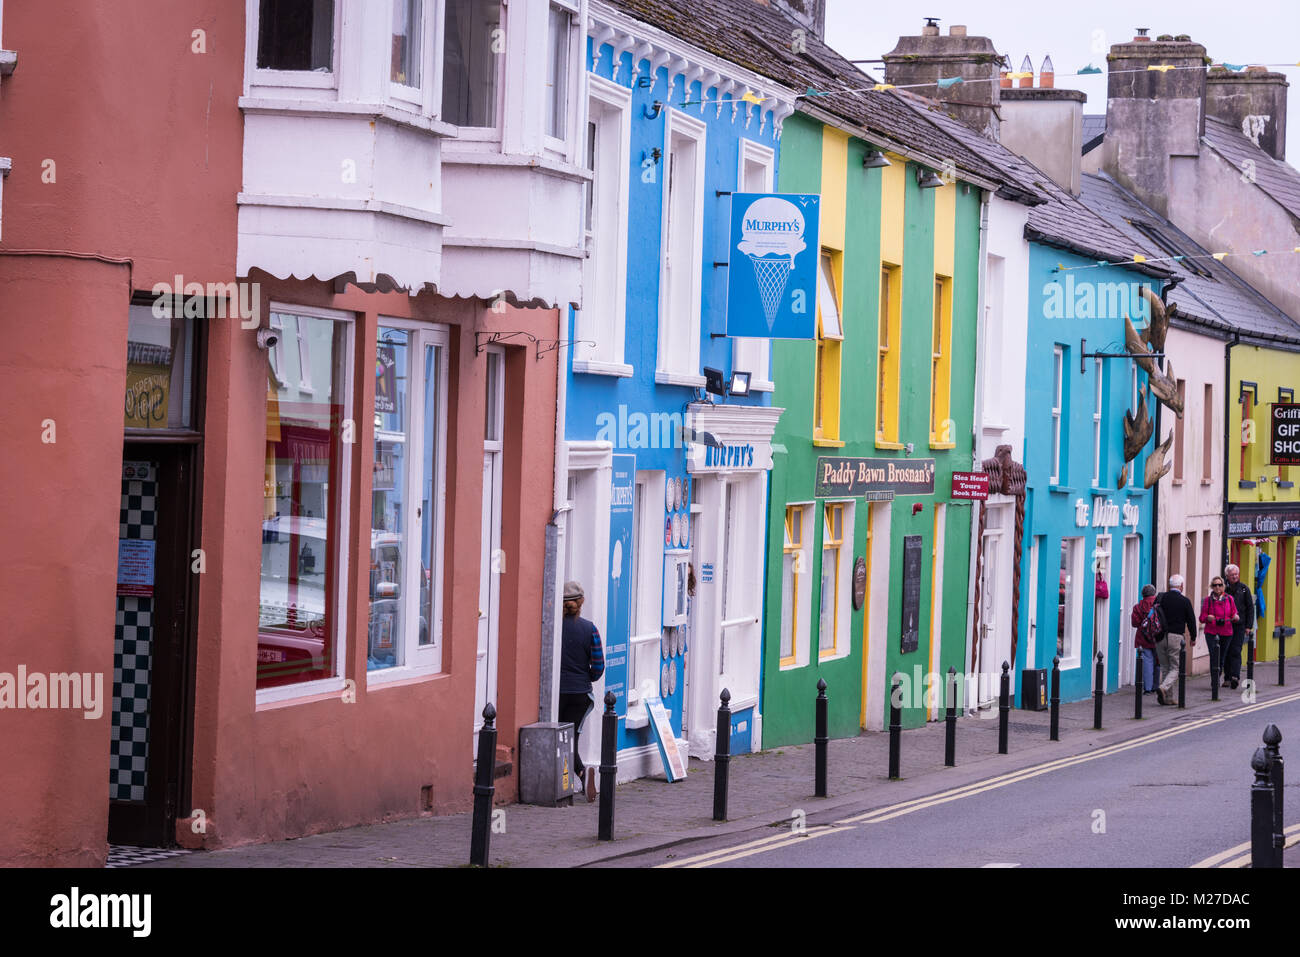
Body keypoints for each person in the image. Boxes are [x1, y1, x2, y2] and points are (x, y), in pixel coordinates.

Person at [558, 580, 604, 800]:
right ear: (581, 602)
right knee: (570, 737)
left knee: (558, 738)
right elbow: (598, 666)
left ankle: (569, 779)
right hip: (580, 694)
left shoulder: (552, 626)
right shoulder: (590, 628)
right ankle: (580, 774)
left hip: (556, 693)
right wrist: (587, 678)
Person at [1154, 574, 1197, 705]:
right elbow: (1191, 620)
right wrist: (1193, 637)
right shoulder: (1184, 601)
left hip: (1160, 636)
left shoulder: (1160, 598)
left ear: (1169, 586)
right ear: (1181, 586)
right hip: (1176, 636)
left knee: (1165, 667)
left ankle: (1168, 698)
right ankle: (1164, 687)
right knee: (1176, 667)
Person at [1198, 575, 1239, 693]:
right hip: (1211, 632)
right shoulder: (1208, 600)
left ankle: (1218, 676)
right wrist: (1208, 617)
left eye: (1220, 585)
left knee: (1222, 657)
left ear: (1223, 586)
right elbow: (1201, 618)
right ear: (1212, 587)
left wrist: (1235, 617)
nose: (1217, 587)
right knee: (1214, 656)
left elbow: (1234, 613)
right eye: (1215, 585)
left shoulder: (1229, 599)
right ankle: (1214, 680)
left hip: (1226, 632)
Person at [1223, 563, 1255, 690]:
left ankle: (1235, 677)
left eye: (1236, 574)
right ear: (1227, 576)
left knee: (1236, 650)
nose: (1235, 576)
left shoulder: (1244, 589)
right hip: (1225, 625)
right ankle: (1226, 678)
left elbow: (1250, 608)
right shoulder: (1223, 589)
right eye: (1232, 575)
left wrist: (1248, 626)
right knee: (1225, 651)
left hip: (1239, 626)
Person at [1130, 584, 1159, 694]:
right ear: (1154, 593)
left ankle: (1147, 687)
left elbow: (1135, 623)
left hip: (1143, 637)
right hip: (1157, 637)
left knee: (1147, 662)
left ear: (1143, 594)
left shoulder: (1138, 607)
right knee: (1158, 661)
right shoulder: (1159, 605)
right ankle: (1156, 686)